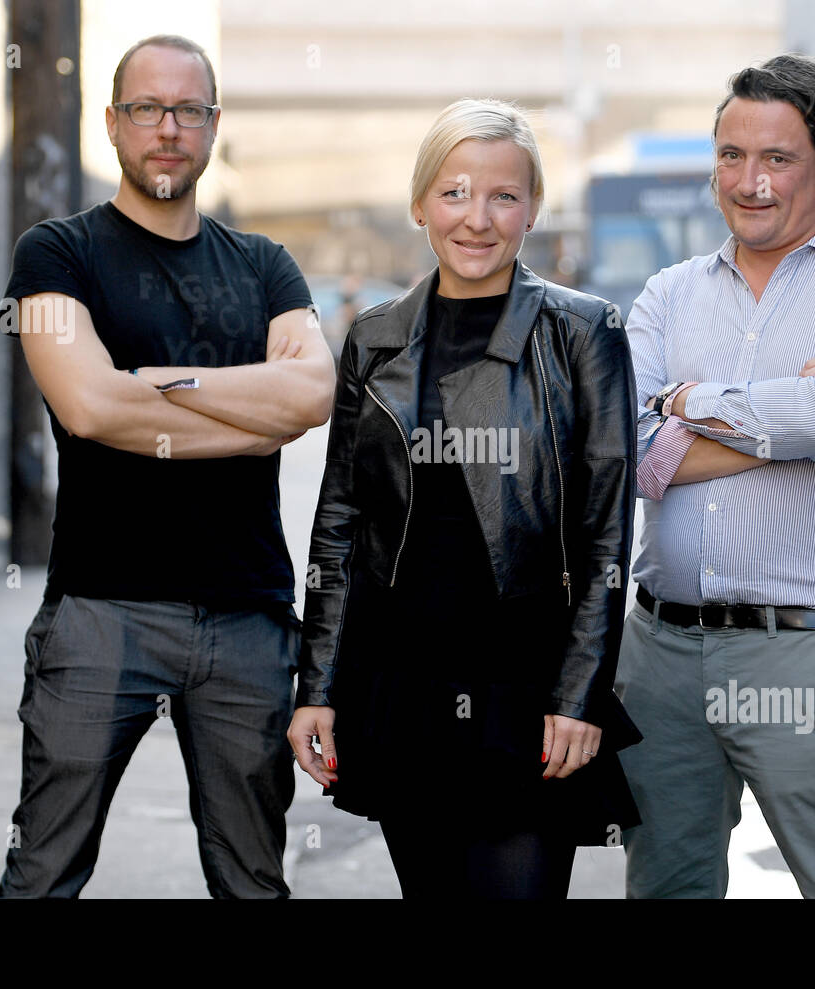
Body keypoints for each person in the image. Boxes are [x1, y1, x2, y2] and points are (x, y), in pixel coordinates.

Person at [0, 35, 334, 898]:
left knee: (254, 881)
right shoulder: (58, 253)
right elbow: (90, 407)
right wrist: (247, 416)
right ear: (113, 123)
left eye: (188, 109)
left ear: (213, 125)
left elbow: (310, 398)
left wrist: (166, 383)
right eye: (147, 109)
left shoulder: (263, 265)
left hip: (248, 620)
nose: (168, 129)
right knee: (43, 874)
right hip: (102, 610)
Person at [286, 99, 641, 899]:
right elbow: (339, 525)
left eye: (502, 196)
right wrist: (318, 687)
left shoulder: (582, 333)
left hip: (525, 681)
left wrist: (580, 693)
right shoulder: (374, 337)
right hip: (403, 681)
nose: (477, 218)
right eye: (453, 193)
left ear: (533, 209)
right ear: (420, 204)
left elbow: (604, 533)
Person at [617, 53, 815, 898]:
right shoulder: (667, 295)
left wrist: (685, 402)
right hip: (661, 656)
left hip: (806, 659)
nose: (749, 182)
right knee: (664, 889)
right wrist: (787, 417)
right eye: (730, 156)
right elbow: (623, 452)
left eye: (777, 159)